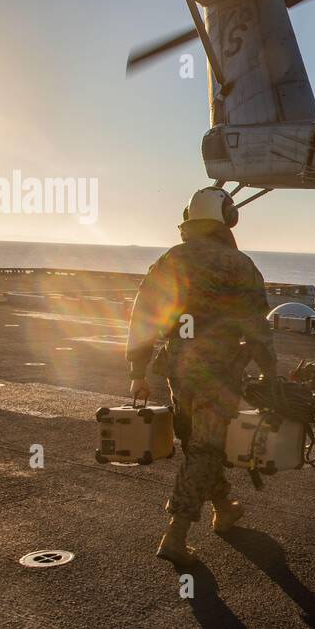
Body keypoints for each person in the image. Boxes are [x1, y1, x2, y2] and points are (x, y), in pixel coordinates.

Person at [126, 186, 278, 566]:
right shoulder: (239, 265)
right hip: (221, 371)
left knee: (199, 443)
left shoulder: (171, 260)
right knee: (207, 448)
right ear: (227, 217)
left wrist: (137, 370)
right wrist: (271, 373)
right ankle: (175, 535)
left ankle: (225, 506)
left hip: (179, 368)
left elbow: (145, 313)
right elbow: (256, 326)